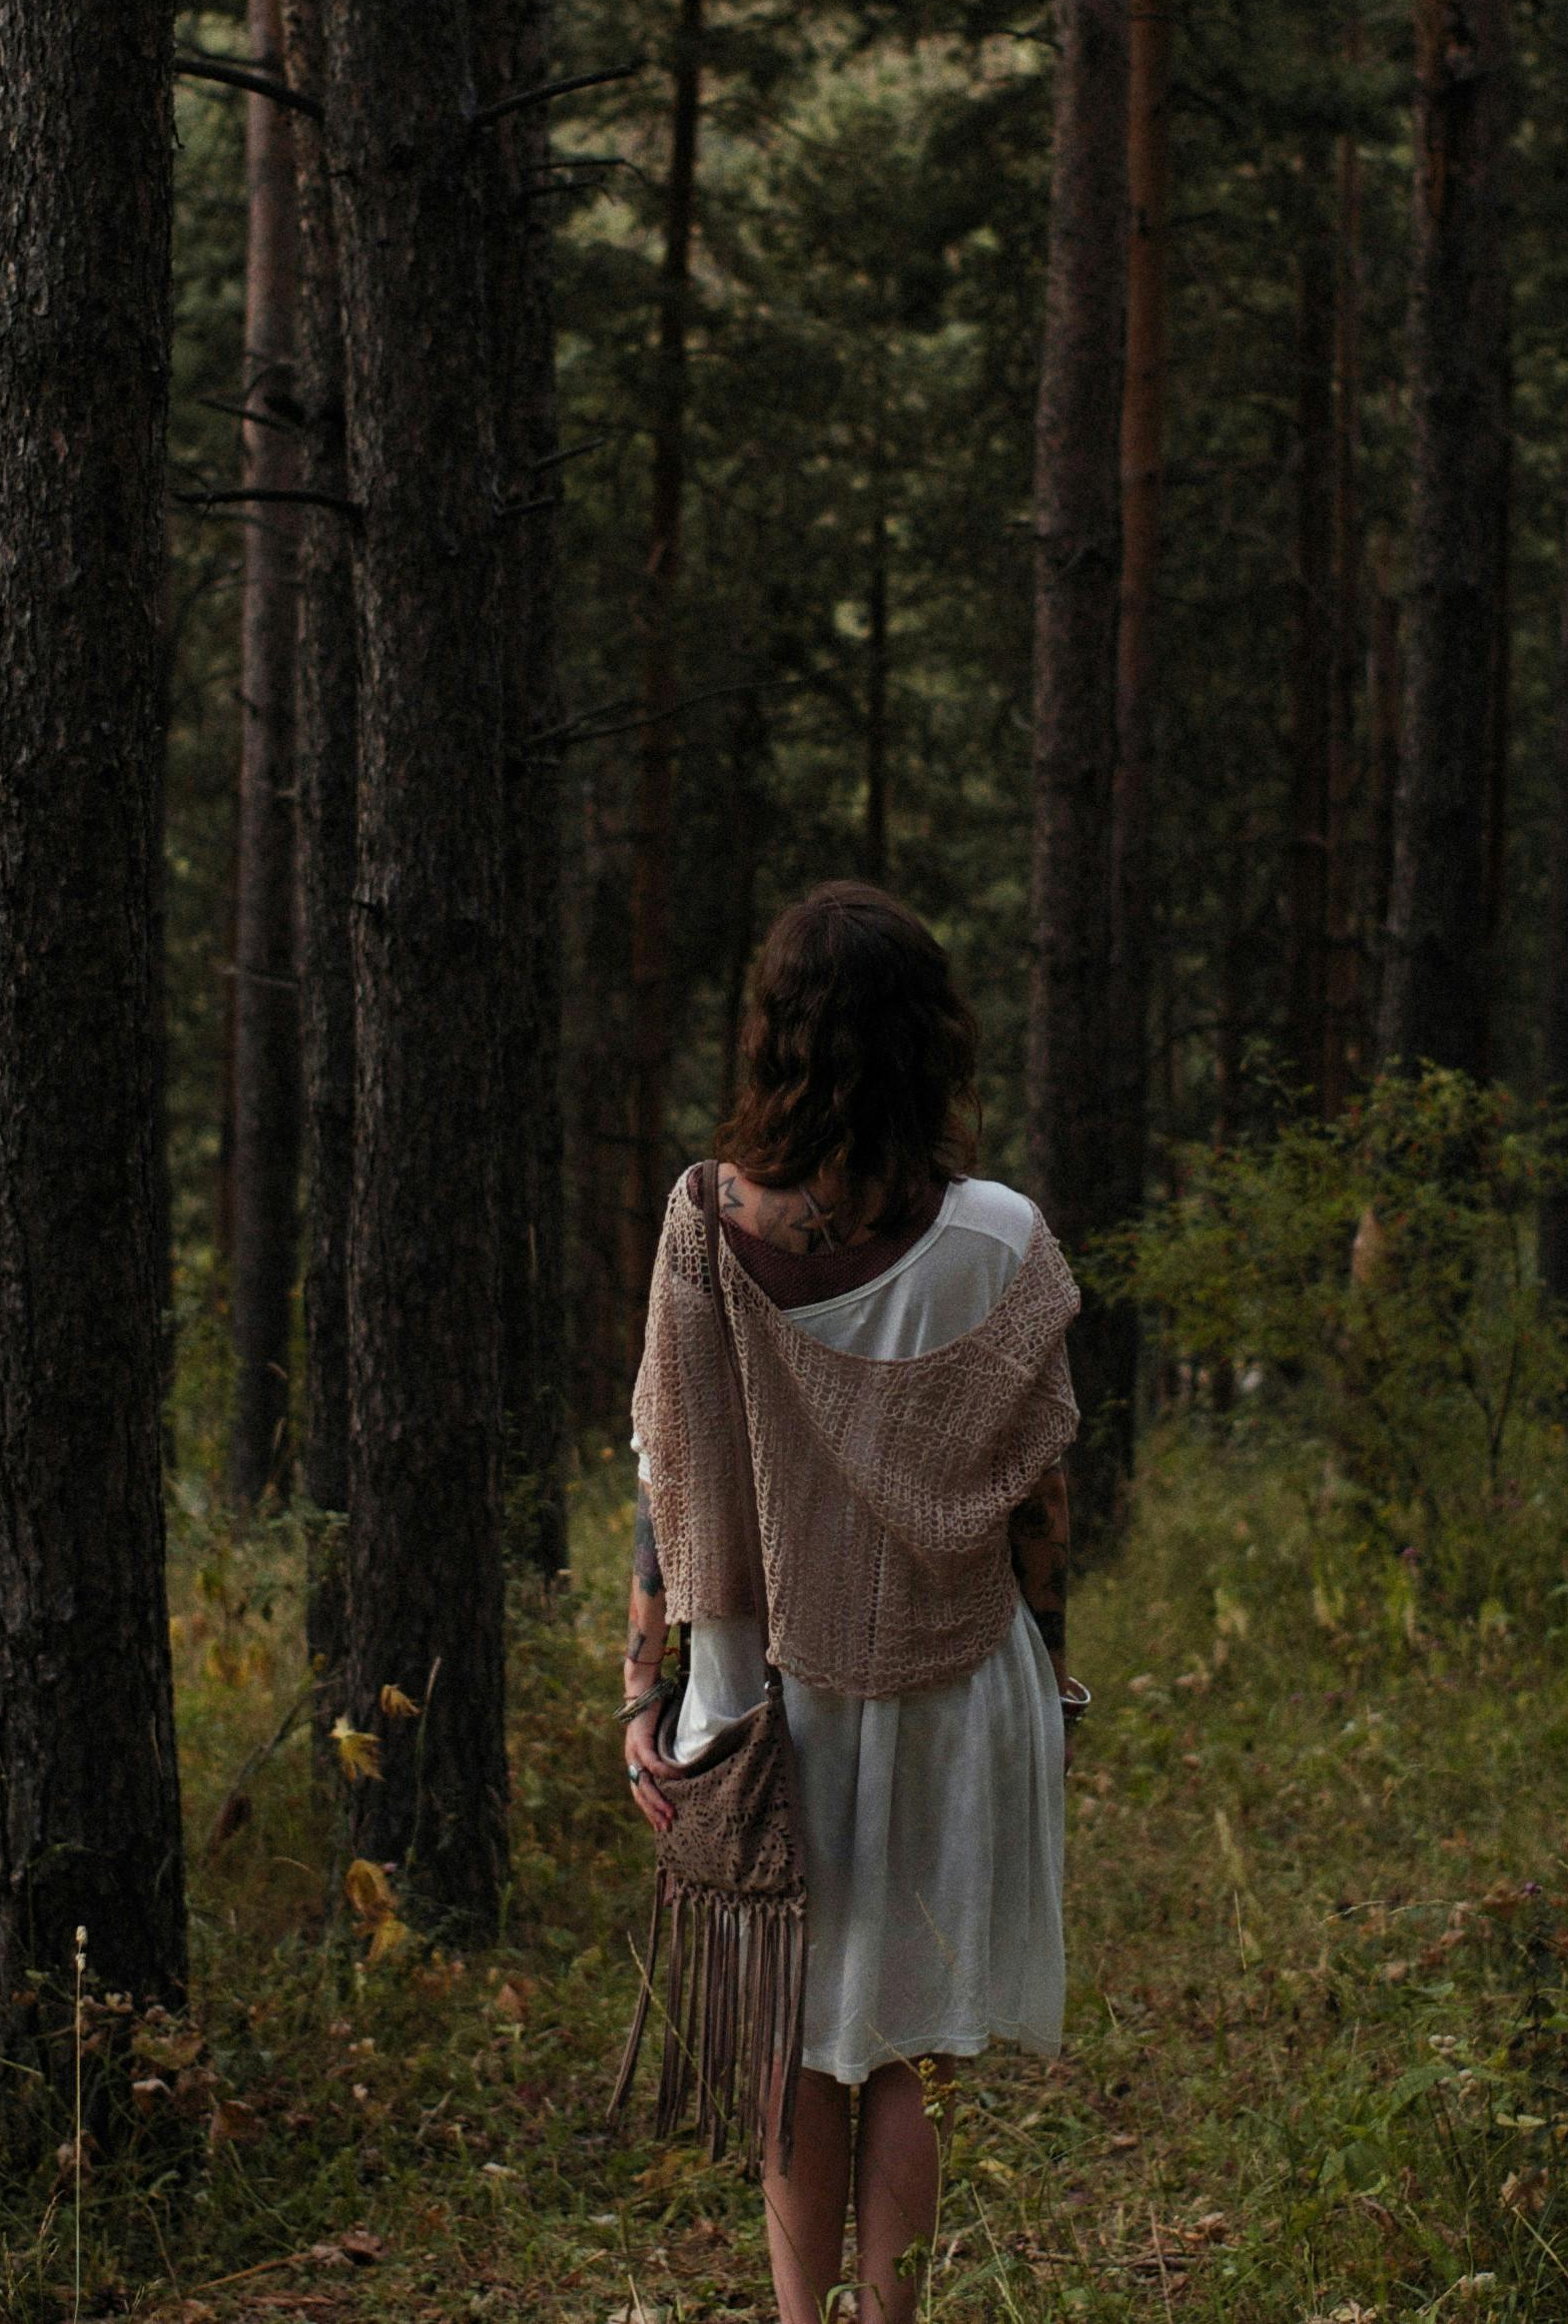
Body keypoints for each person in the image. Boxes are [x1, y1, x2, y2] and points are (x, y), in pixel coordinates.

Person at [621, 880, 1083, 2324]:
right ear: (929, 1041)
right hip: (951, 1685)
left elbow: (664, 1477)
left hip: (760, 1703)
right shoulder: (1002, 1242)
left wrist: (645, 1690)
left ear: (774, 1038)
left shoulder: (703, 1225)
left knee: (787, 2044)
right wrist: (1056, 1682)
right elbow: (1040, 1506)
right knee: (890, 2052)